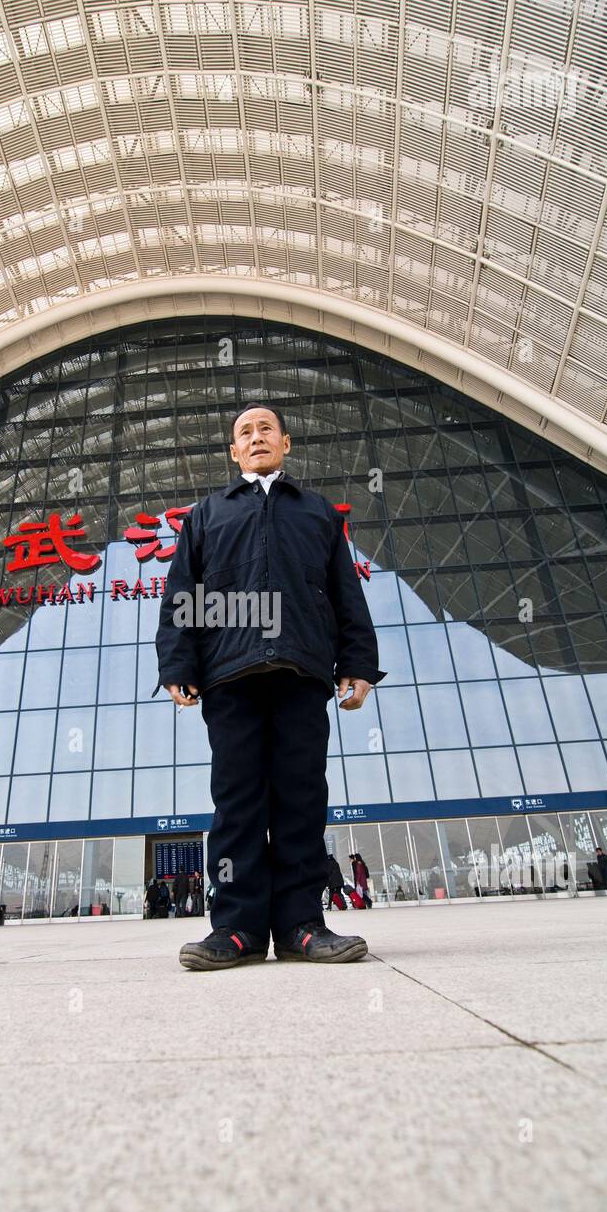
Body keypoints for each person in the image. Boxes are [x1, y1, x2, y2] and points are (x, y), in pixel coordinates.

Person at [154, 402, 386, 969]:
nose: (256, 438)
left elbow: (345, 596)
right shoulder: (208, 516)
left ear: (286, 444)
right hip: (230, 676)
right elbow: (183, 596)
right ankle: (236, 929)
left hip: (301, 674)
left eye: (266, 429)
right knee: (237, 804)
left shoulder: (319, 515)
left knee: (300, 801)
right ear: (233, 453)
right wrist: (178, 666)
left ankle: (302, 925)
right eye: (244, 433)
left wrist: (357, 665)